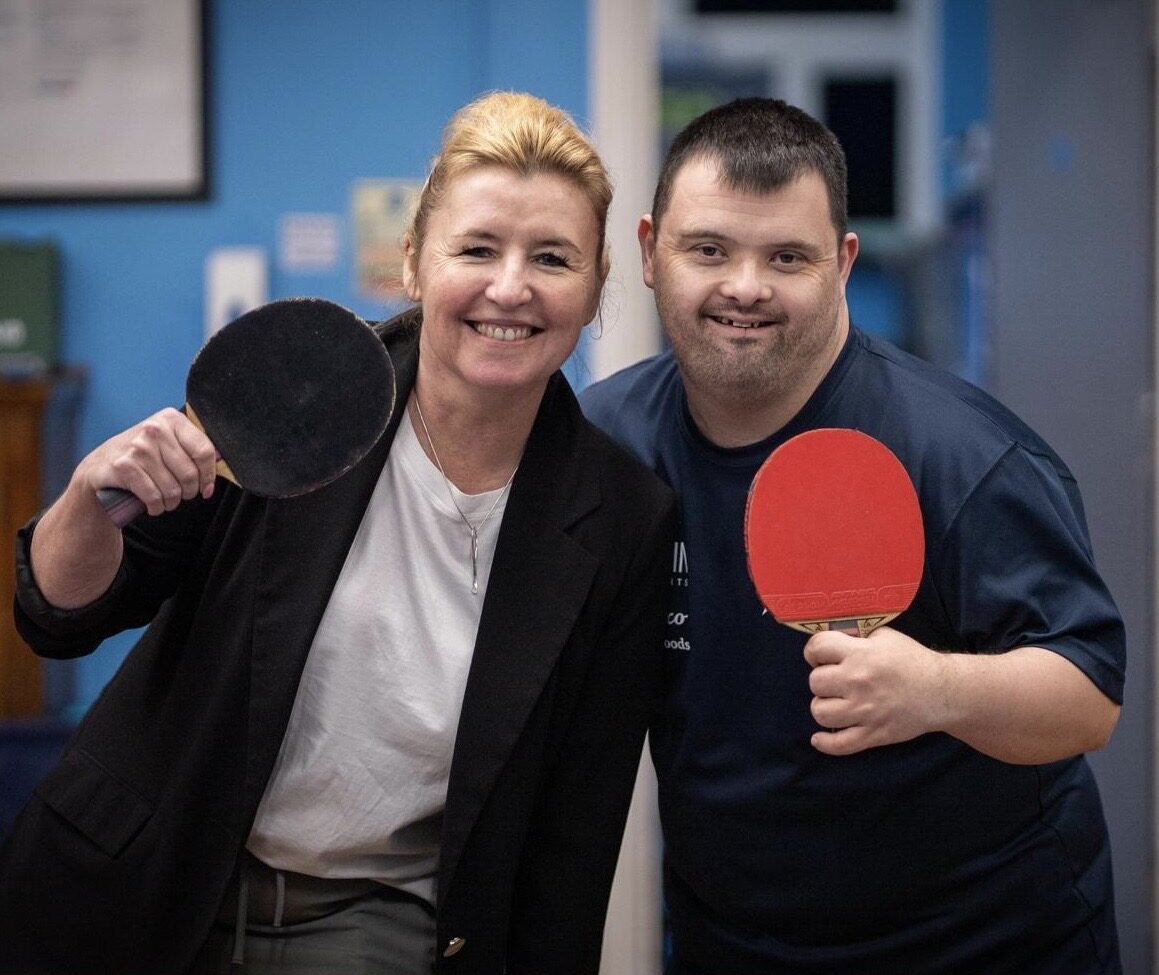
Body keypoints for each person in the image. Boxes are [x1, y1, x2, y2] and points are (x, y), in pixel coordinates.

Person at [0, 90, 676, 975]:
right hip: (140, 877)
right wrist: (91, 497)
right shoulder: (302, 387)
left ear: (592, 290)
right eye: (477, 248)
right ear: (415, 263)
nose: (510, 287)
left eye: (551, 257)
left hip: (369, 921)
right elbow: (57, 615)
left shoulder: (622, 517)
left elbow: (572, 835)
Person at [580, 97, 1125, 974]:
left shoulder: (962, 456)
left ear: (841, 264)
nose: (744, 286)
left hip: (982, 944)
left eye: (786, 256)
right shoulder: (606, 443)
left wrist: (936, 689)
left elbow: (1088, 697)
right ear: (649, 252)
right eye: (708, 249)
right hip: (733, 942)